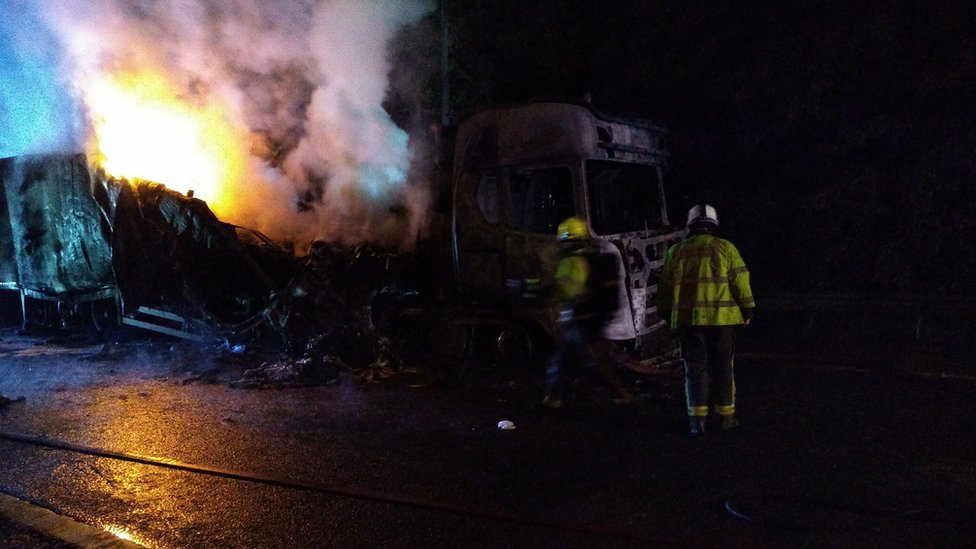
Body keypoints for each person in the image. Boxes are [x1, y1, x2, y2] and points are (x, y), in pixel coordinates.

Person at [657, 204, 755, 434]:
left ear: (690, 226)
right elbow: (740, 282)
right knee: (723, 368)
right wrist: (747, 310)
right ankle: (726, 419)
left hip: (690, 322)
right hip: (723, 321)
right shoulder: (726, 248)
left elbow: (665, 288)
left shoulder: (677, 252)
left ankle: (697, 423)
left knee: (695, 369)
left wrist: (665, 312)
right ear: (714, 225)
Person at [542, 216, 633, 409]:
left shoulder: (574, 262)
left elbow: (568, 290)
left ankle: (621, 393)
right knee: (570, 357)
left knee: (588, 360)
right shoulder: (590, 258)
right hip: (586, 319)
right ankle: (556, 397)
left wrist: (542, 292)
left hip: (582, 320)